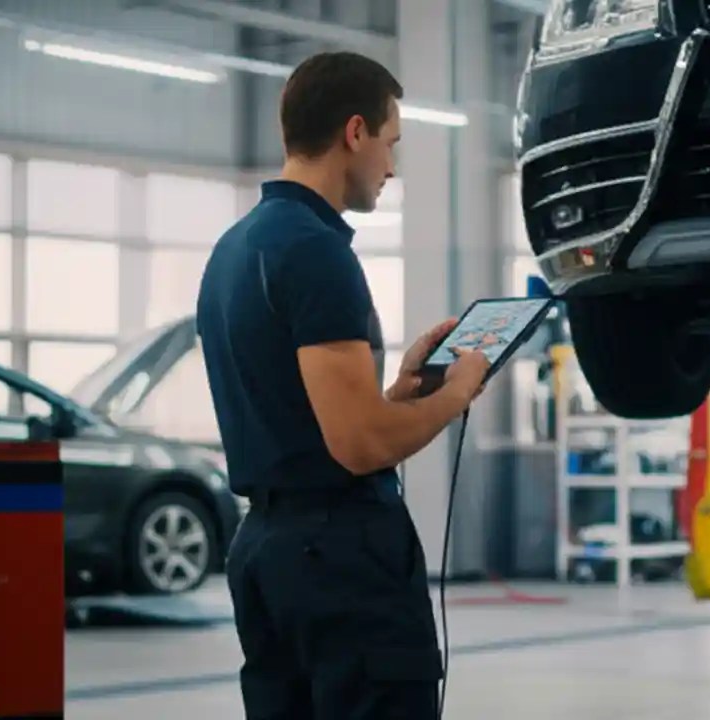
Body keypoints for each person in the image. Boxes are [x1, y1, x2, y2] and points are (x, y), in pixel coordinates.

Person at [196, 51, 490, 719]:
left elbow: (303, 422)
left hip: (267, 551)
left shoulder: (234, 249)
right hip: (340, 561)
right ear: (354, 132)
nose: (392, 167)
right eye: (390, 144)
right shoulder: (316, 251)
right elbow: (358, 447)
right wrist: (455, 393)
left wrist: (400, 396)